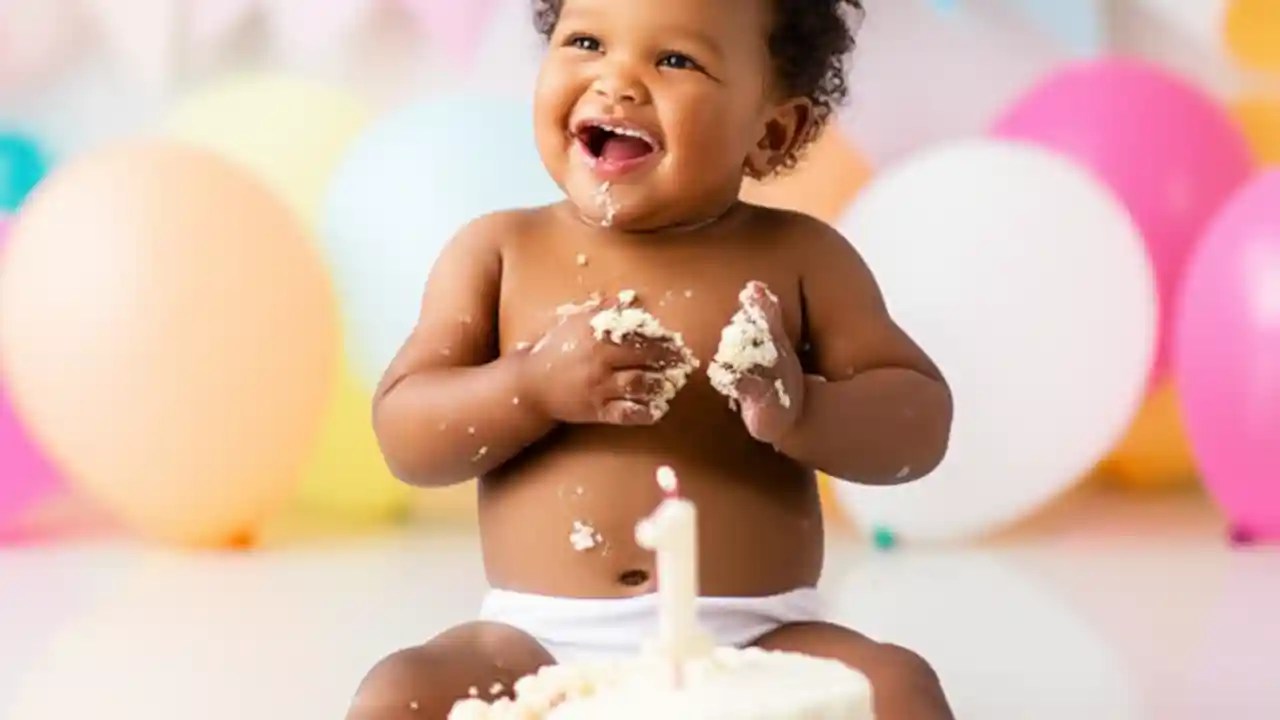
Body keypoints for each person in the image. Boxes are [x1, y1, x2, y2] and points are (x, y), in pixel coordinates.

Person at [347, 0, 955, 717]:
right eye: (586, 41)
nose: (618, 82)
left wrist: (803, 407)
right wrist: (531, 386)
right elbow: (406, 437)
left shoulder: (801, 258)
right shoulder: (499, 253)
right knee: (400, 692)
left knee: (897, 686)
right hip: (540, 637)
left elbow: (919, 426)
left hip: (759, 635)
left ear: (770, 130)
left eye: (675, 60)